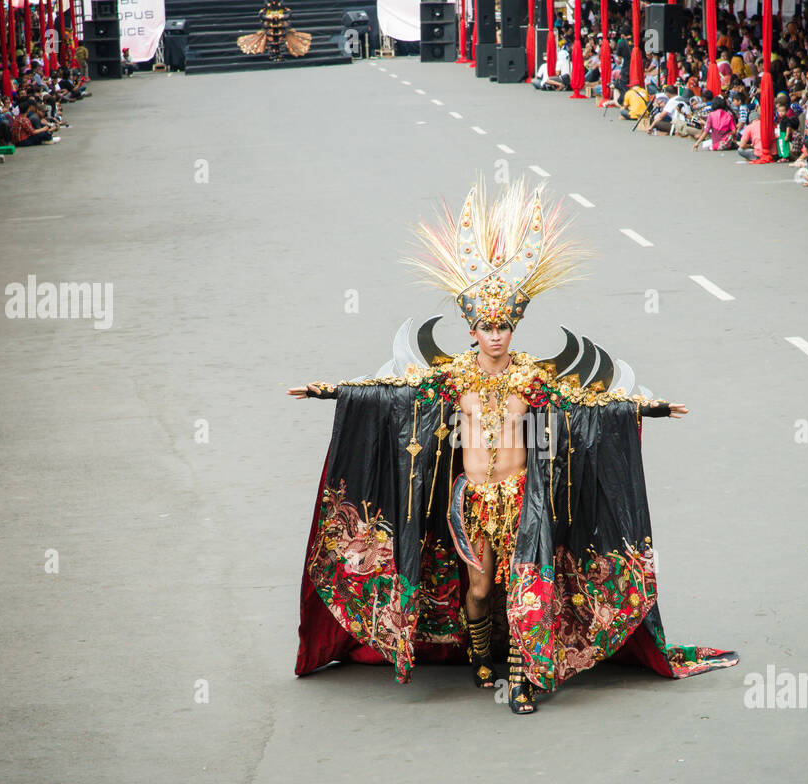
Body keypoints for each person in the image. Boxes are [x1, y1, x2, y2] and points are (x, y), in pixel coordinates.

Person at [287, 179, 738, 715]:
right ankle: (481, 659)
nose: (496, 336)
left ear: (514, 326)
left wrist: (647, 408)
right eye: (486, 327)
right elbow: (391, 394)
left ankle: (522, 685)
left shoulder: (533, 379)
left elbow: (585, 405)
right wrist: (328, 391)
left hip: (526, 499)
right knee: (479, 591)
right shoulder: (453, 378)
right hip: (472, 501)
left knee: (527, 590)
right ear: (472, 329)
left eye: (503, 326)